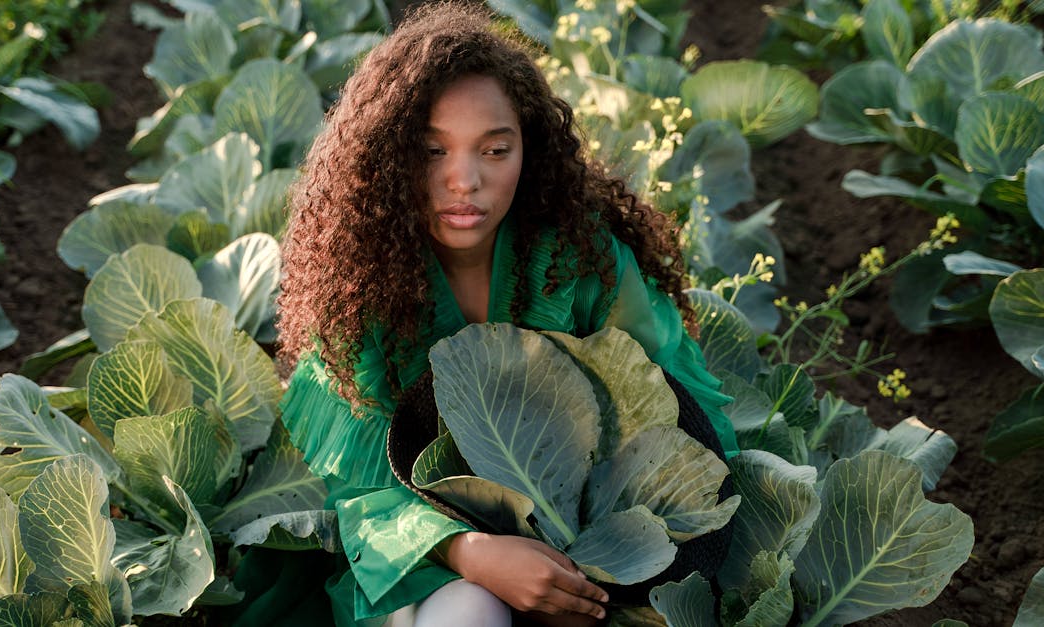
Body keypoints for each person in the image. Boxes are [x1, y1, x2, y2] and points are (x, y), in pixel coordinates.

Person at [275, 3, 739, 625]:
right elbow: (363, 496)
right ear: (385, 161)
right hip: (430, 560)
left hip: (594, 554)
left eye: (495, 150)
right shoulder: (362, 288)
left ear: (531, 150)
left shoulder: (583, 262)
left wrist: (598, 565)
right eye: (431, 151)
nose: (463, 180)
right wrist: (475, 553)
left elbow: (680, 422)